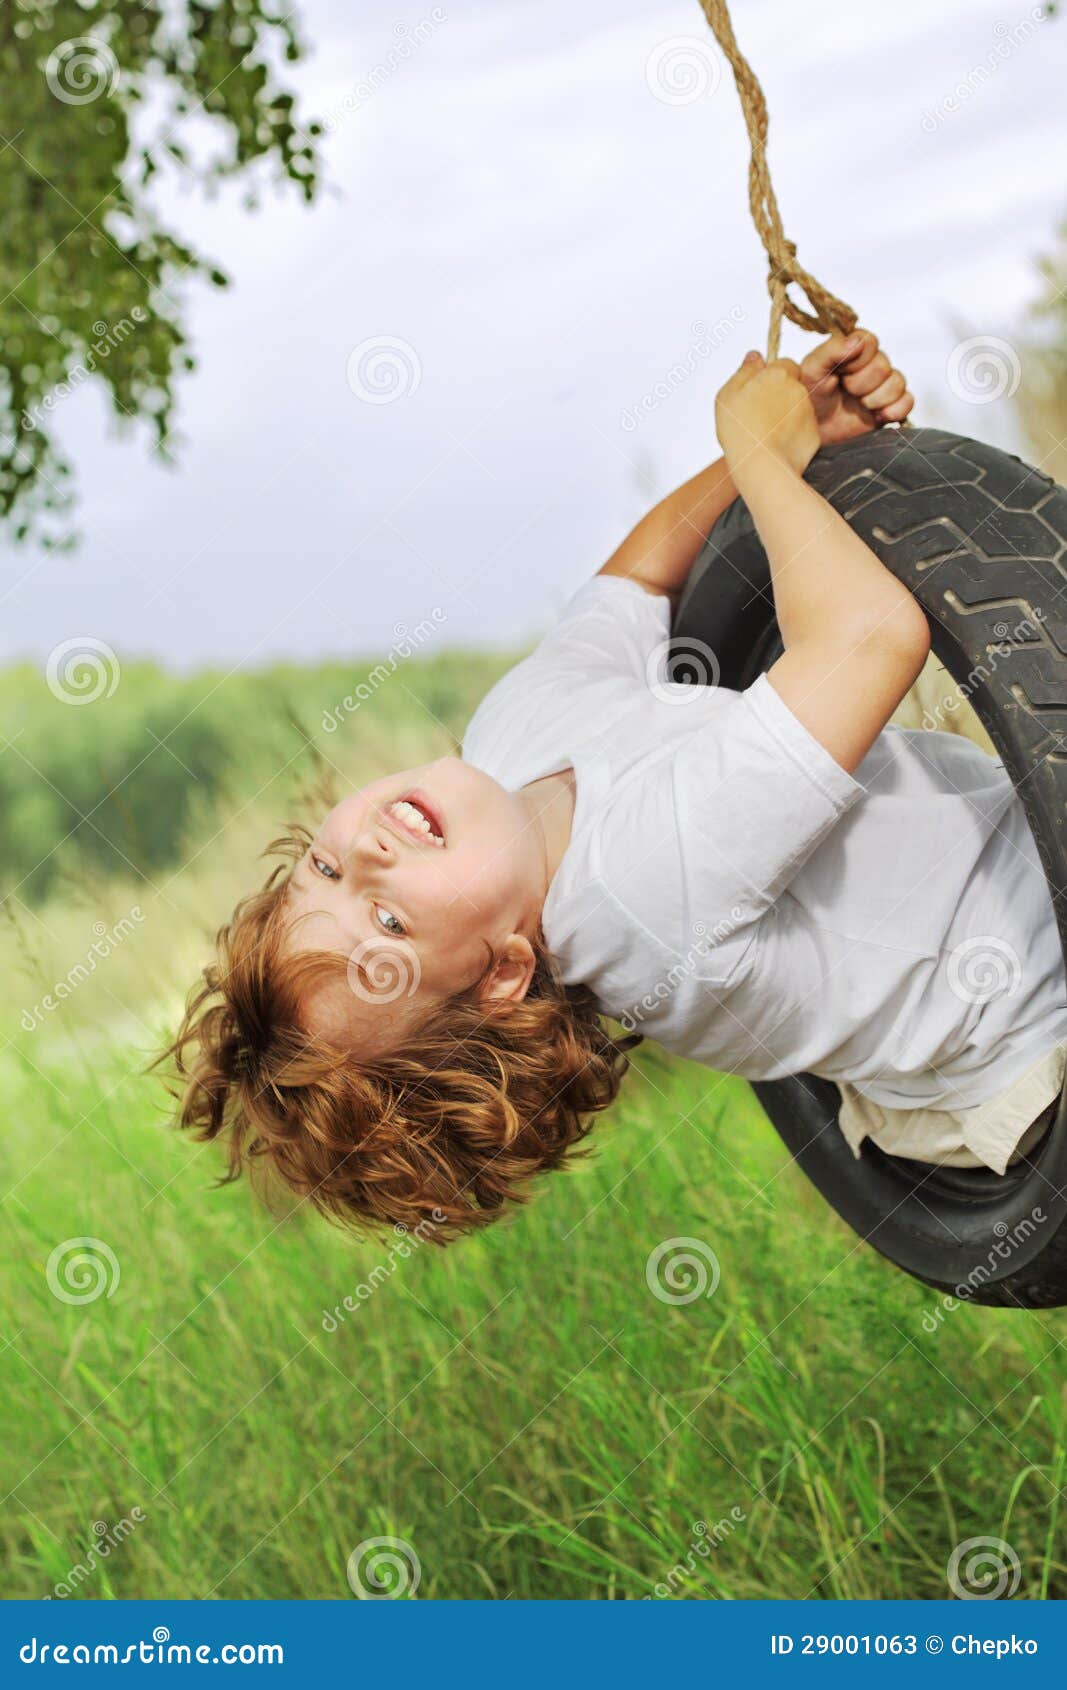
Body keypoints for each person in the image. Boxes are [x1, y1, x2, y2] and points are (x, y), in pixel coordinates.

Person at [168, 331, 1067, 1239]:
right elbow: (867, 639)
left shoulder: (507, 742)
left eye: (323, 872)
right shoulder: (644, 895)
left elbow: (632, 580)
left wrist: (801, 441)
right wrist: (761, 458)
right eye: (391, 923)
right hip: (1034, 1022)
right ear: (503, 973)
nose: (369, 857)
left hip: (1018, 855)